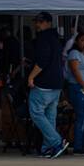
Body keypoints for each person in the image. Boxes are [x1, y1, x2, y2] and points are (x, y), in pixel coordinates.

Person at [26, 12, 68, 158]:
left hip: (43, 82)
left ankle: (56, 142)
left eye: (40, 22)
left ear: (48, 23)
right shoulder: (56, 38)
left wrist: (31, 76)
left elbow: (42, 61)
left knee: (36, 113)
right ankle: (47, 148)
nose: (37, 24)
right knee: (50, 116)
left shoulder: (43, 38)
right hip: (57, 83)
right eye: (37, 21)